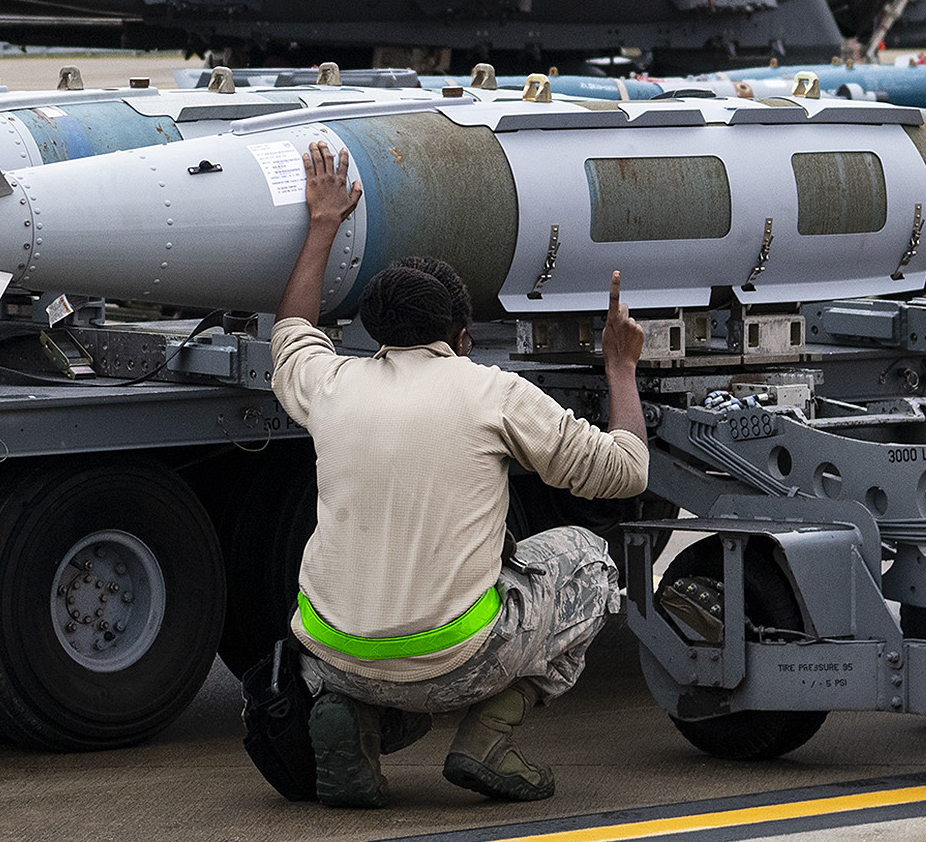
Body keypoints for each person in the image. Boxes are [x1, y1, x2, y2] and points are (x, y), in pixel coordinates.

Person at [254, 140, 650, 806]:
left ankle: (352, 719)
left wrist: (323, 224)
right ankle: (487, 737)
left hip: (334, 659)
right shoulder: (492, 391)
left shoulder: (331, 384)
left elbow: (293, 329)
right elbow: (626, 472)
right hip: (458, 664)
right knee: (588, 560)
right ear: (462, 337)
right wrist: (620, 368)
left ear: (377, 331)